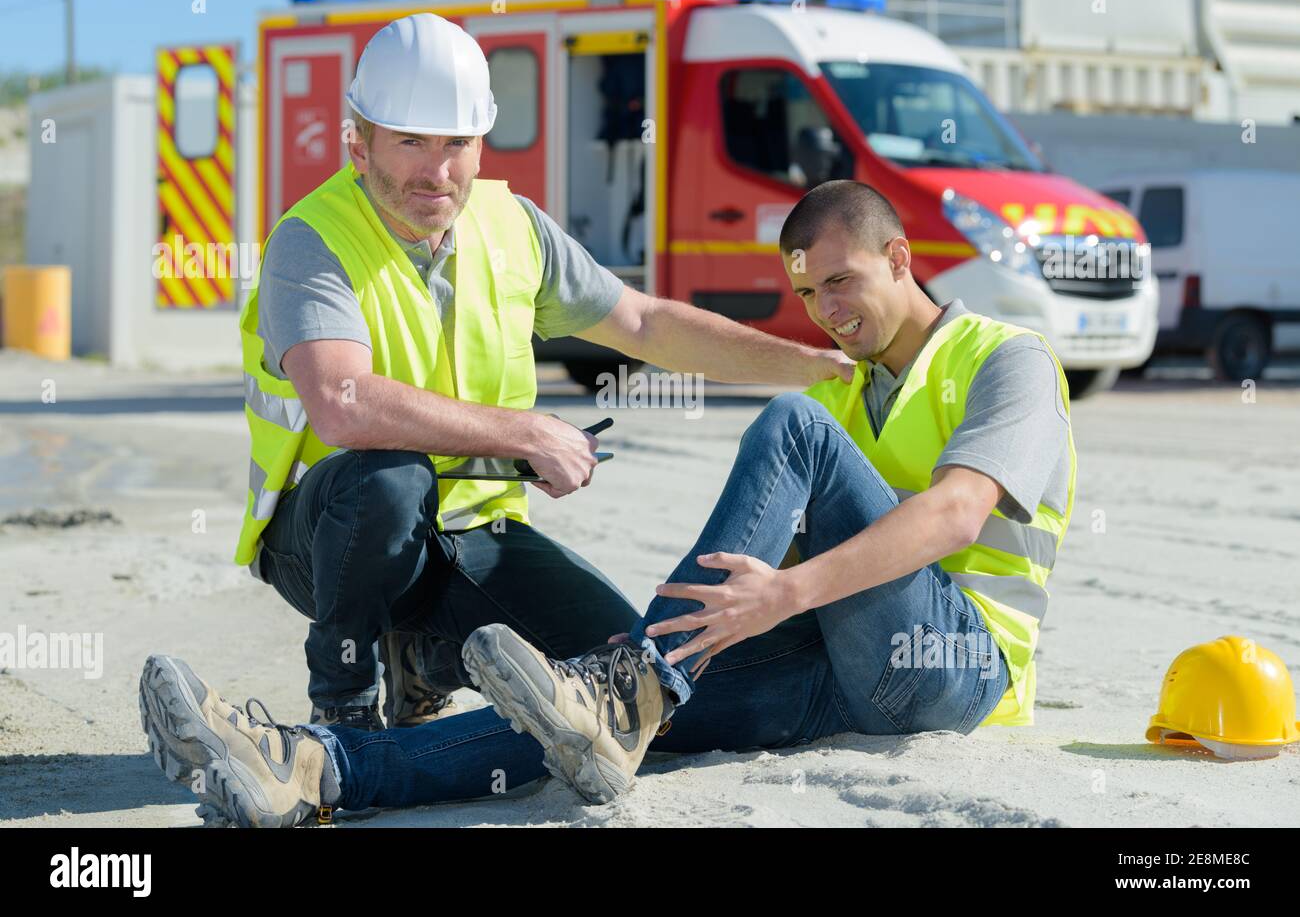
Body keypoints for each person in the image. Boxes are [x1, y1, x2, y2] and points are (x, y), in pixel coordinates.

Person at [140, 179, 1076, 825]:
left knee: (778, 445)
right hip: (845, 662)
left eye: (841, 282)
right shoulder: (844, 388)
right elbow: (652, 326)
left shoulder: (1005, 357)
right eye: (806, 292)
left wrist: (781, 597)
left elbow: (956, 514)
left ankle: (636, 677)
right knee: (584, 718)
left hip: (960, 663)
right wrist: (737, 625)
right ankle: (311, 765)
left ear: (902, 257)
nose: (826, 309)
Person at [233, 11, 852, 733]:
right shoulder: (311, 240)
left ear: (479, 144)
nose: (436, 170)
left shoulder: (512, 226)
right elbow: (342, 404)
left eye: (457, 142)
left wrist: (808, 363)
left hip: (470, 529)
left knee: (621, 671)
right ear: (359, 144)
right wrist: (525, 431)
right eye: (409, 141)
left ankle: (426, 662)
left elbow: (646, 323)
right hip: (330, 540)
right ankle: (343, 711)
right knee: (389, 481)